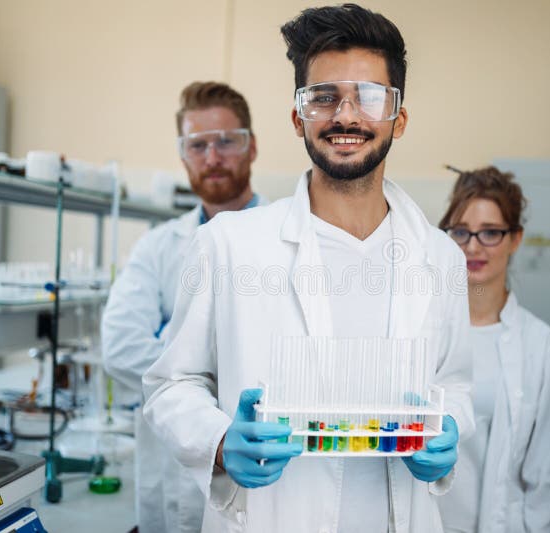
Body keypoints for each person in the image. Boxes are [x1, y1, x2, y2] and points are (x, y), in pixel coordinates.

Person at [142, 4, 474, 532]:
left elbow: (453, 382)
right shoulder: (228, 245)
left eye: (369, 97)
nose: (345, 116)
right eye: (324, 97)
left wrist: (448, 424)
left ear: (399, 118)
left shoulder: (440, 259)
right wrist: (222, 442)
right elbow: (170, 383)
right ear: (299, 116)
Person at [102, 81, 266, 533]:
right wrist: (213, 381)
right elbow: (118, 348)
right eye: (197, 145)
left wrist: (177, 360)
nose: (212, 157)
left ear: (252, 148)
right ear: (183, 155)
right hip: (169, 484)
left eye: (227, 141)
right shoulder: (157, 248)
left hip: (261, 478)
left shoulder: (286, 240)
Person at [435, 167, 550, 533]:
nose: (474, 246)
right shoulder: (422, 331)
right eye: (461, 232)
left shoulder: (543, 348)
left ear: (516, 239)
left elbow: (548, 478)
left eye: (491, 232)